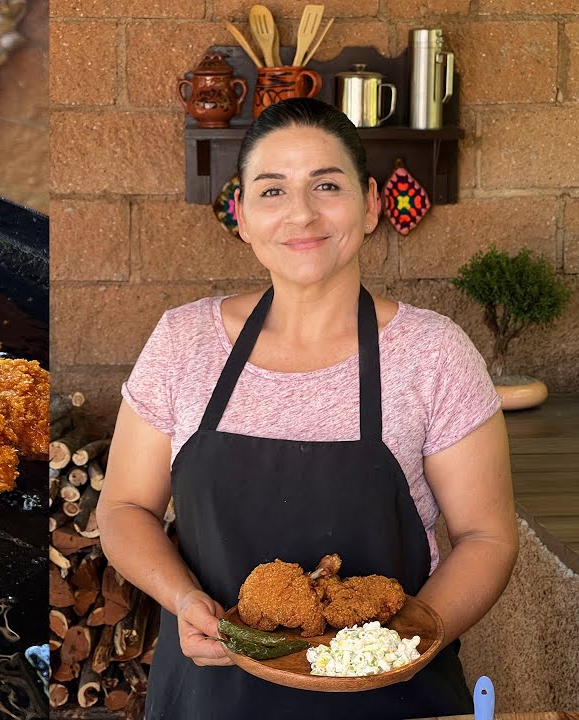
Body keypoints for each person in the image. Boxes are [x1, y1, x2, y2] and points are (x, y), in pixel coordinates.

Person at [95, 98, 518, 720]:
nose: (301, 213)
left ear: (371, 204)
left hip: (390, 696)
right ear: (240, 215)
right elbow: (125, 507)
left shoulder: (434, 353)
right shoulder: (184, 342)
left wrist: (393, 646)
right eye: (272, 191)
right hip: (213, 694)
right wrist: (182, 598)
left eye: (327, 184)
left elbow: (487, 537)